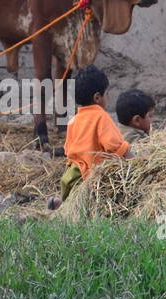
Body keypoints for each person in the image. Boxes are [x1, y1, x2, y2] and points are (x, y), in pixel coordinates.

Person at [48, 65, 131, 209]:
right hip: (91, 179)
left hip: (71, 176)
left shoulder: (74, 120)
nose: (107, 97)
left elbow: (68, 150)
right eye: (106, 94)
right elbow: (114, 145)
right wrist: (135, 160)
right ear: (97, 97)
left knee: (73, 202)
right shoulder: (101, 117)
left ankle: (60, 202)